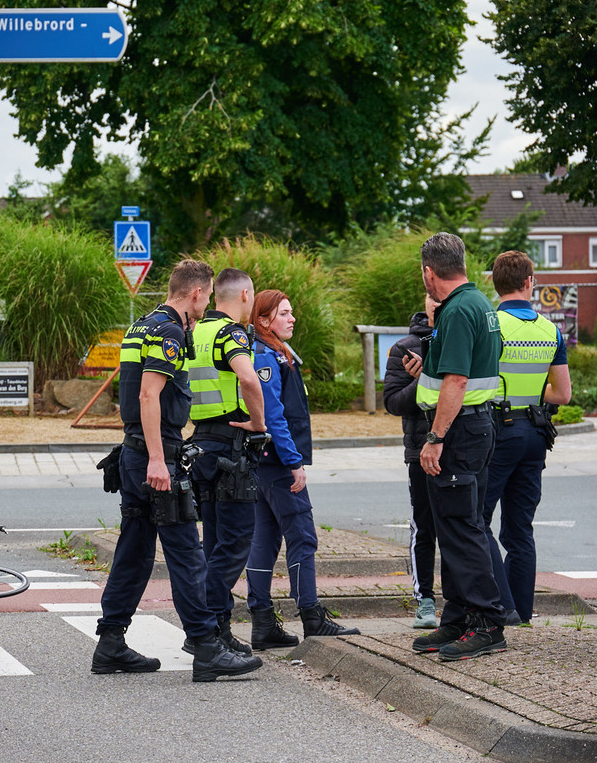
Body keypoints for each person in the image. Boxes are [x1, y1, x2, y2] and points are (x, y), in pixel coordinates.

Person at [93, 259, 263, 682]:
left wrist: (142, 453)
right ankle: (207, 648)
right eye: (205, 297)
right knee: (187, 554)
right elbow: (150, 396)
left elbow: (132, 394)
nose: (206, 305)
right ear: (196, 294)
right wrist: (157, 459)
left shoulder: (141, 326)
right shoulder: (170, 330)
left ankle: (110, 642)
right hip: (156, 455)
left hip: (133, 451)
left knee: (133, 552)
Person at [411, 232, 508, 661]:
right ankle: (459, 616)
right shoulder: (481, 304)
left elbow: (456, 381)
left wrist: (435, 437)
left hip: (458, 433)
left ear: (430, 272)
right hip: (478, 427)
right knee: (456, 524)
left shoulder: (456, 311)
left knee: (461, 529)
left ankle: (486, 622)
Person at [244, 290, 360, 648]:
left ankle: (262, 622)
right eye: (284, 313)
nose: (292, 318)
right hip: (277, 462)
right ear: (263, 320)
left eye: (291, 312)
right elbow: (274, 414)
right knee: (302, 537)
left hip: (262, 462)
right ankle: (312, 616)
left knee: (264, 540)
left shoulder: (270, 351)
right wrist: (294, 462)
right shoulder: (266, 355)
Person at [483, 251, 571, 625]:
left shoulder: (489, 326)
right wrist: (532, 398)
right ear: (529, 282)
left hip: (495, 432)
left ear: (494, 283)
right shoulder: (550, 330)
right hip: (535, 433)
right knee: (520, 529)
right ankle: (522, 609)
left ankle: (501, 607)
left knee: (475, 520)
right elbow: (563, 394)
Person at [184, 268, 265, 656]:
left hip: (202, 444)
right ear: (246, 295)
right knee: (235, 543)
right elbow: (248, 380)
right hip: (232, 445)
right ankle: (205, 626)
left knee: (214, 542)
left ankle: (218, 628)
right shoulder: (229, 333)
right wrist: (259, 424)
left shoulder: (195, 331)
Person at [383, 295, 442, 629]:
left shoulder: (462, 338)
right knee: (425, 525)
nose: (439, 307)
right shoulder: (404, 348)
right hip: (420, 449)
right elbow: (393, 403)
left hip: (461, 448)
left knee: (462, 526)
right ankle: (425, 601)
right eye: (434, 303)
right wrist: (423, 380)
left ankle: (463, 601)